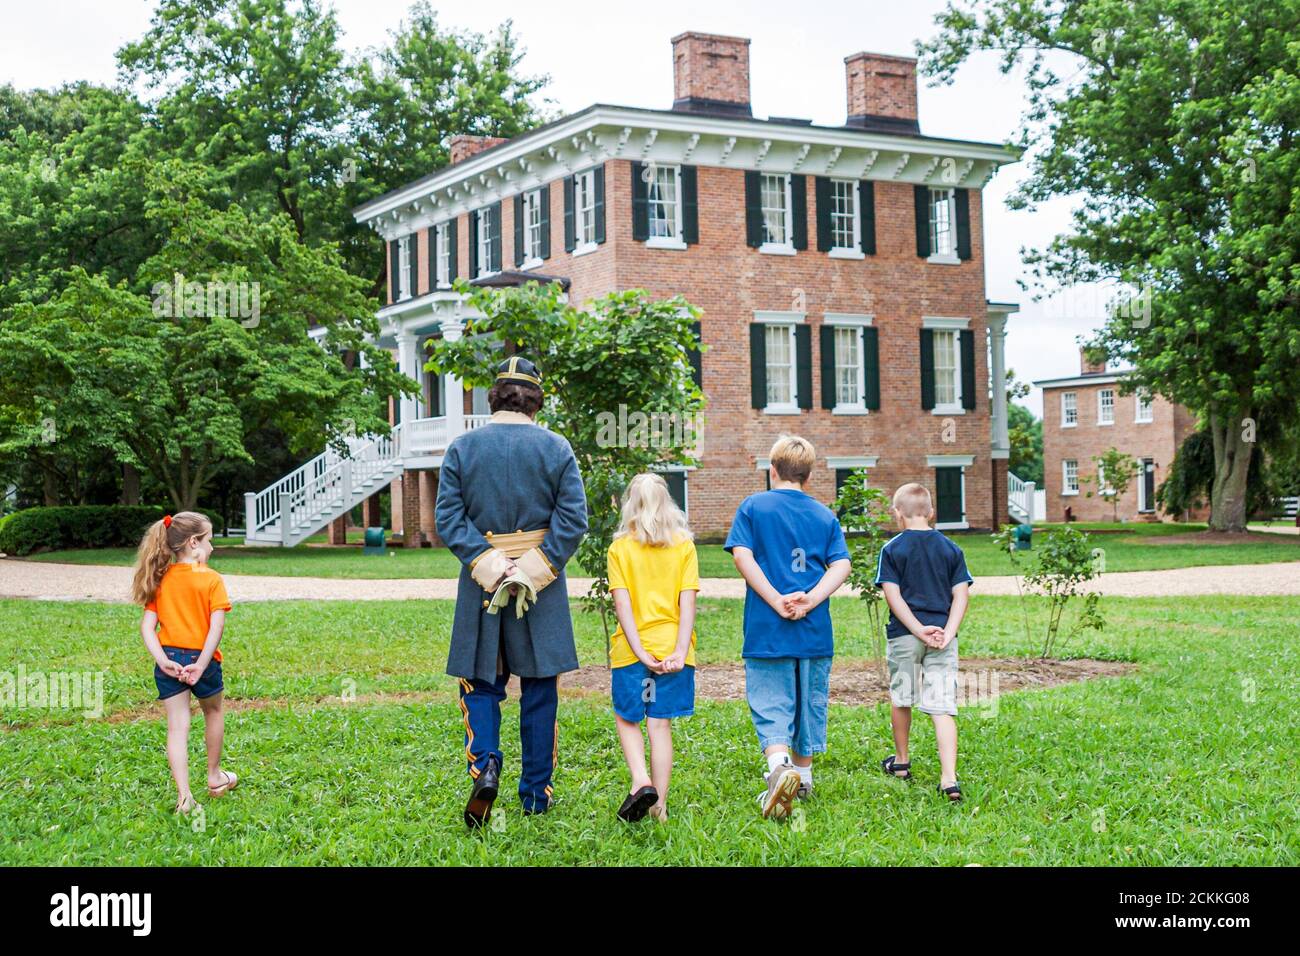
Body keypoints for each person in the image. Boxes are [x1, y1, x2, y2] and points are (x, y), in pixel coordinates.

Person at [435, 356, 588, 828]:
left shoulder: (462, 447)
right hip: (541, 587)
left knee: (480, 684)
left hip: (482, 584)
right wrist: (531, 569)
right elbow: (573, 520)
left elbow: (448, 518)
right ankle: (536, 796)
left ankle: (486, 766)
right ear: (535, 400)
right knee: (540, 690)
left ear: (494, 396)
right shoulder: (557, 447)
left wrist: (491, 565)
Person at [724, 435, 851, 820]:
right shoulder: (824, 515)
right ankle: (804, 776)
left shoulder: (753, 507)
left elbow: (743, 557)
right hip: (813, 632)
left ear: (772, 470)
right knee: (809, 703)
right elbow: (841, 566)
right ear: (808, 476)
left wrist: (775, 598)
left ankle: (779, 767)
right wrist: (811, 598)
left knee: (771, 701)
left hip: (767, 629)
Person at [606, 473, 699, 823]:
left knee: (627, 717)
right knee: (659, 725)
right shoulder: (684, 546)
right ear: (667, 503)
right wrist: (678, 650)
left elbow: (623, 606)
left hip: (632, 651)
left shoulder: (620, 549)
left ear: (632, 504)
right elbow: (687, 604)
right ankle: (659, 807)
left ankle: (640, 779)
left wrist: (642, 654)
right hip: (673, 648)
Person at [130, 511, 236, 814]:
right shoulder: (212, 579)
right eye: (209, 541)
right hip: (201, 661)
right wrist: (201, 665)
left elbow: (147, 628)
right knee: (214, 712)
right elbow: (216, 628)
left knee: (177, 727)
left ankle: (185, 797)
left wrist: (163, 660)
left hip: (170, 660)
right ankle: (215, 778)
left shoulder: (160, 578)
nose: (212, 548)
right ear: (193, 543)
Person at [875, 482, 972, 802]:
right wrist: (947, 630)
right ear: (932, 512)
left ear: (897, 513)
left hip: (905, 635)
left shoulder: (891, 549)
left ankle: (901, 762)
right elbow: (961, 595)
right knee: (942, 705)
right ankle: (949, 779)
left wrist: (917, 629)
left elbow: (893, 596)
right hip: (943, 637)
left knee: (902, 697)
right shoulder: (950, 549)